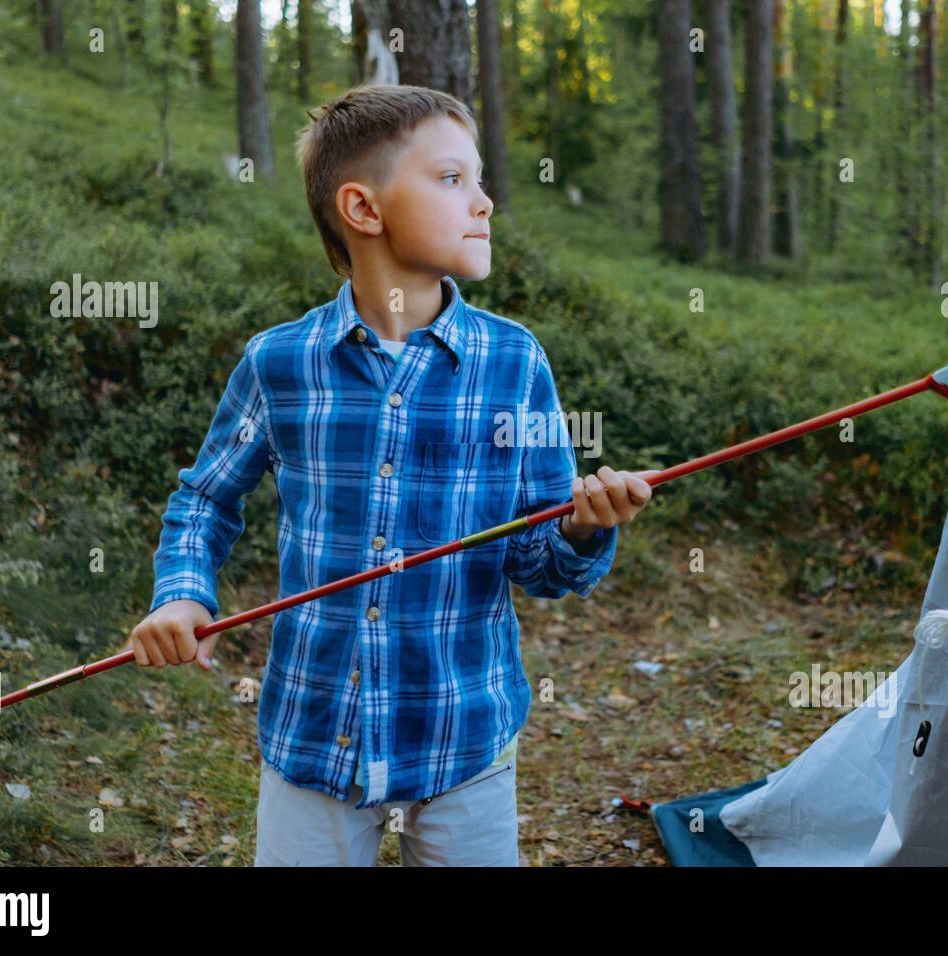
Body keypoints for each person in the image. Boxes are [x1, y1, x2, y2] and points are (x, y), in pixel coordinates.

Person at [125, 84, 655, 866]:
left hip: (465, 735)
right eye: (452, 180)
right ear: (363, 210)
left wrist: (581, 524)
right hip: (313, 733)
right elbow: (205, 498)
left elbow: (539, 563)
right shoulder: (280, 362)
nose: (486, 203)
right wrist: (182, 593)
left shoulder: (514, 363)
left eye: (479, 179)